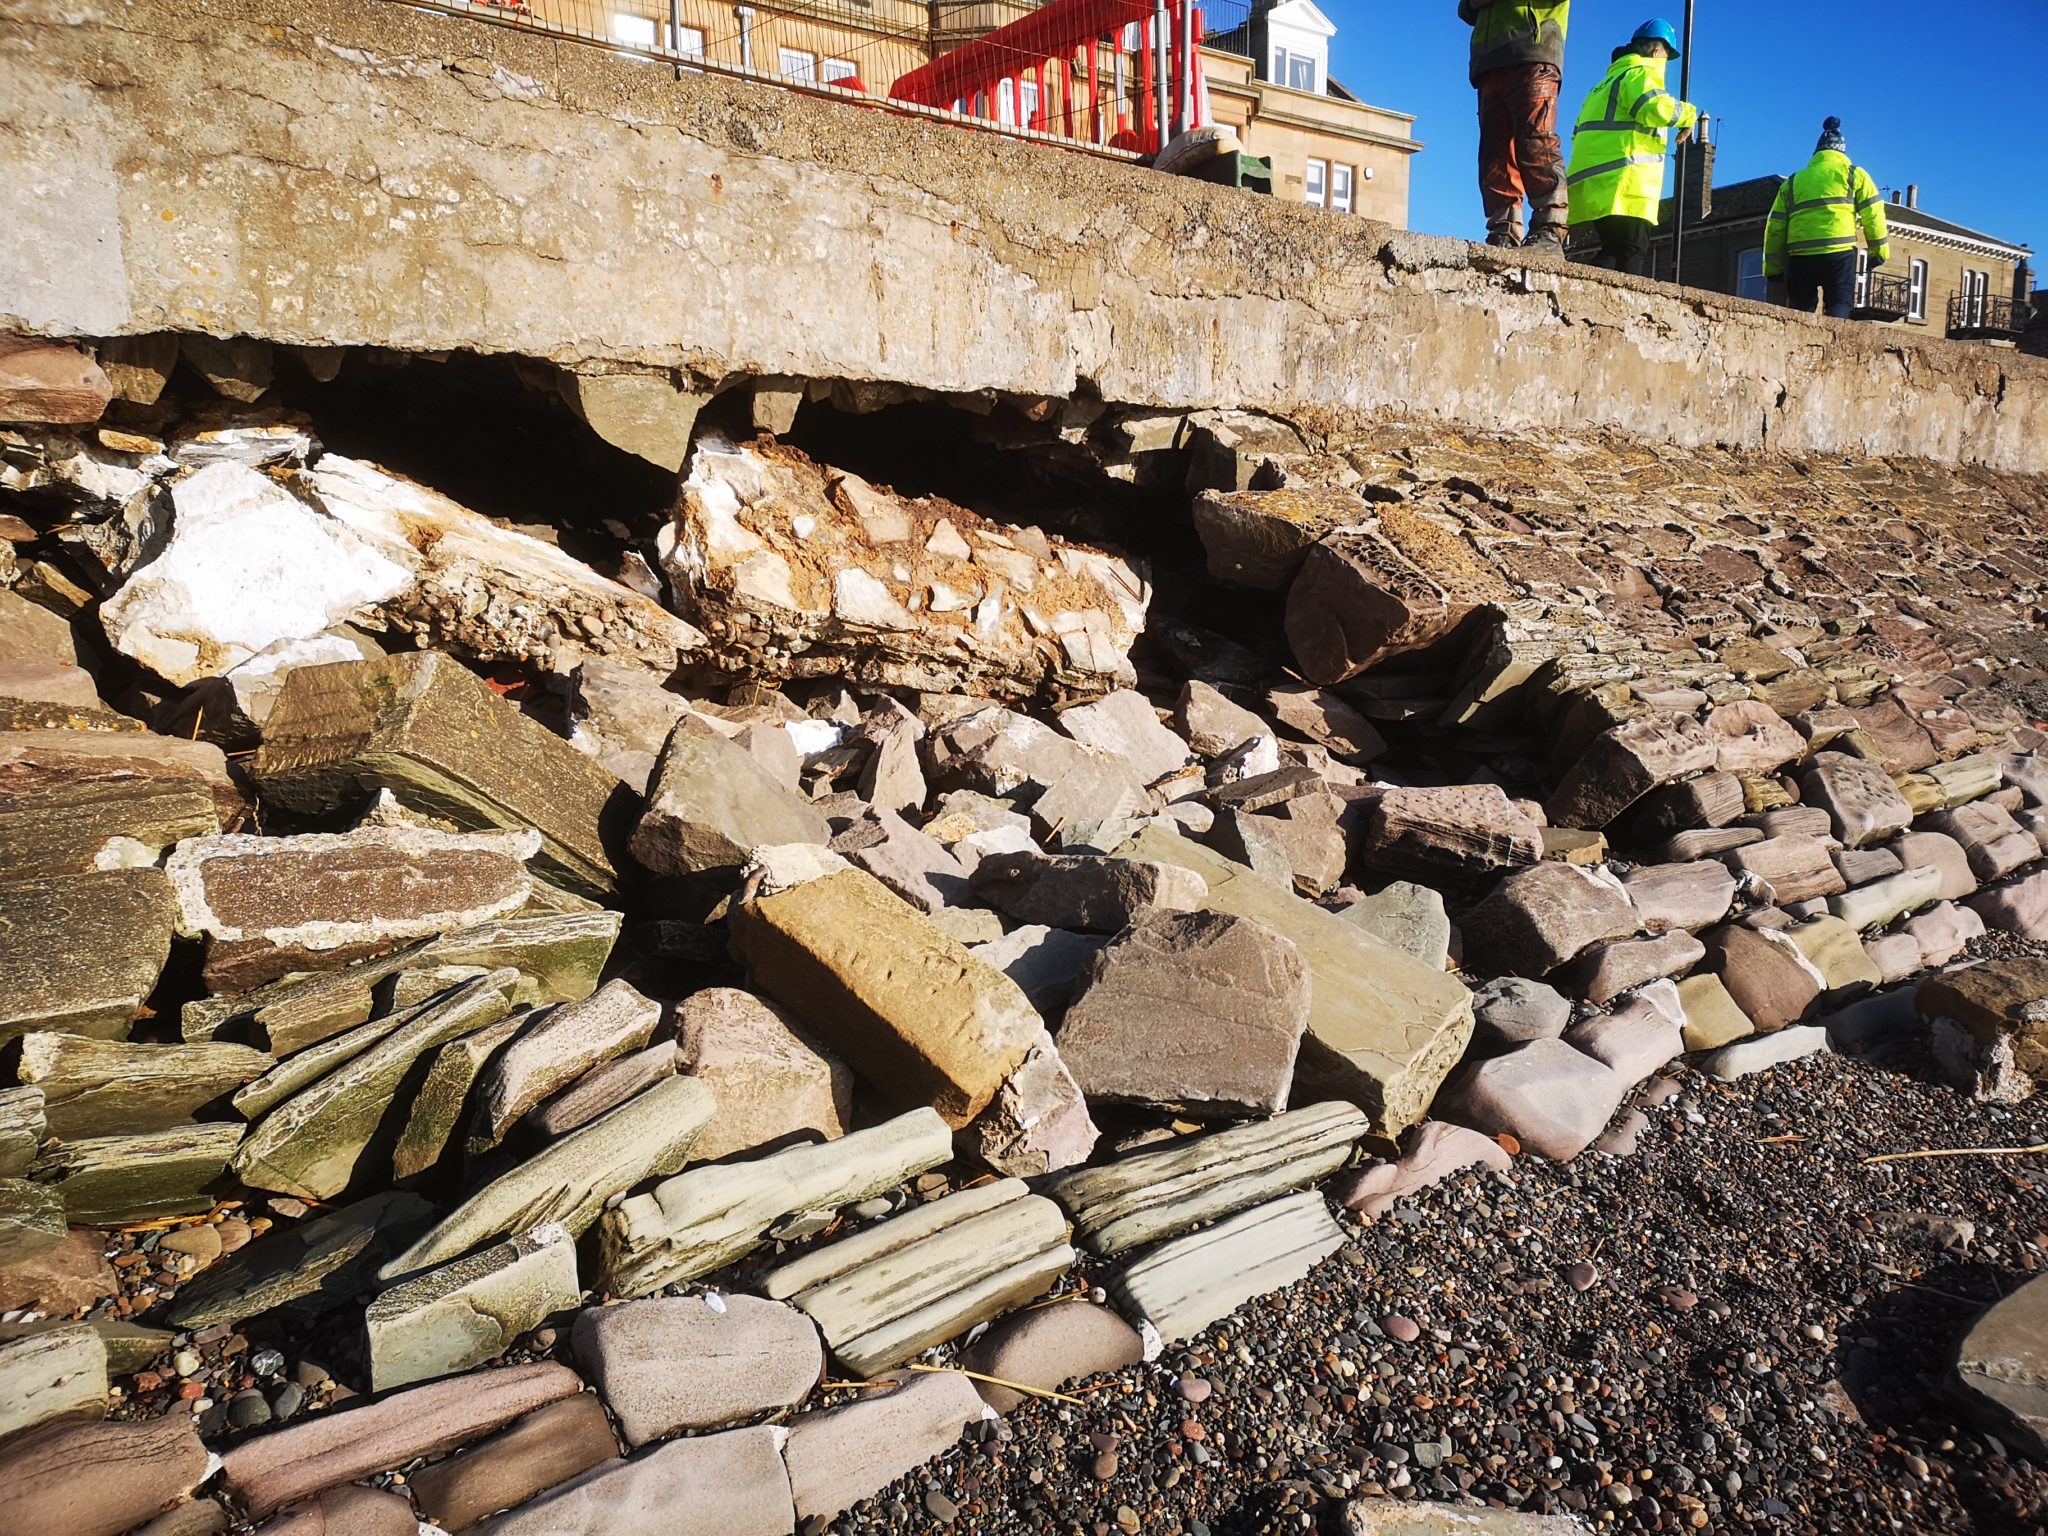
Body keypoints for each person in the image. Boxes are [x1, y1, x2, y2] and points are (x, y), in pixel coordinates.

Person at [1564, 18, 1697, 276]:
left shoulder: (1602, 85)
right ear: (1656, 49)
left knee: (1613, 251)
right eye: (1666, 56)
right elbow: (1653, 107)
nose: (1664, 63)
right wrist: (1688, 114)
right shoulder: (1640, 72)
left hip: (1596, 184)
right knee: (1632, 250)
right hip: (1626, 183)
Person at [1458, 2, 1572, 250]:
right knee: (1495, 151)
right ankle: (1504, 229)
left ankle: (1550, 227)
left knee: (1536, 140)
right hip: (1489, 62)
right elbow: (1466, 10)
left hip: (1533, 47)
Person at [1762, 117, 1890, 320]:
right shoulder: (1854, 175)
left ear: (1816, 153)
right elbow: (1873, 214)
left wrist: (1773, 268)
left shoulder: (1793, 181)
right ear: (1842, 151)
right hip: (1838, 253)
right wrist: (1878, 251)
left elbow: (1775, 226)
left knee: (1800, 311)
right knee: (1838, 306)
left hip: (1800, 256)